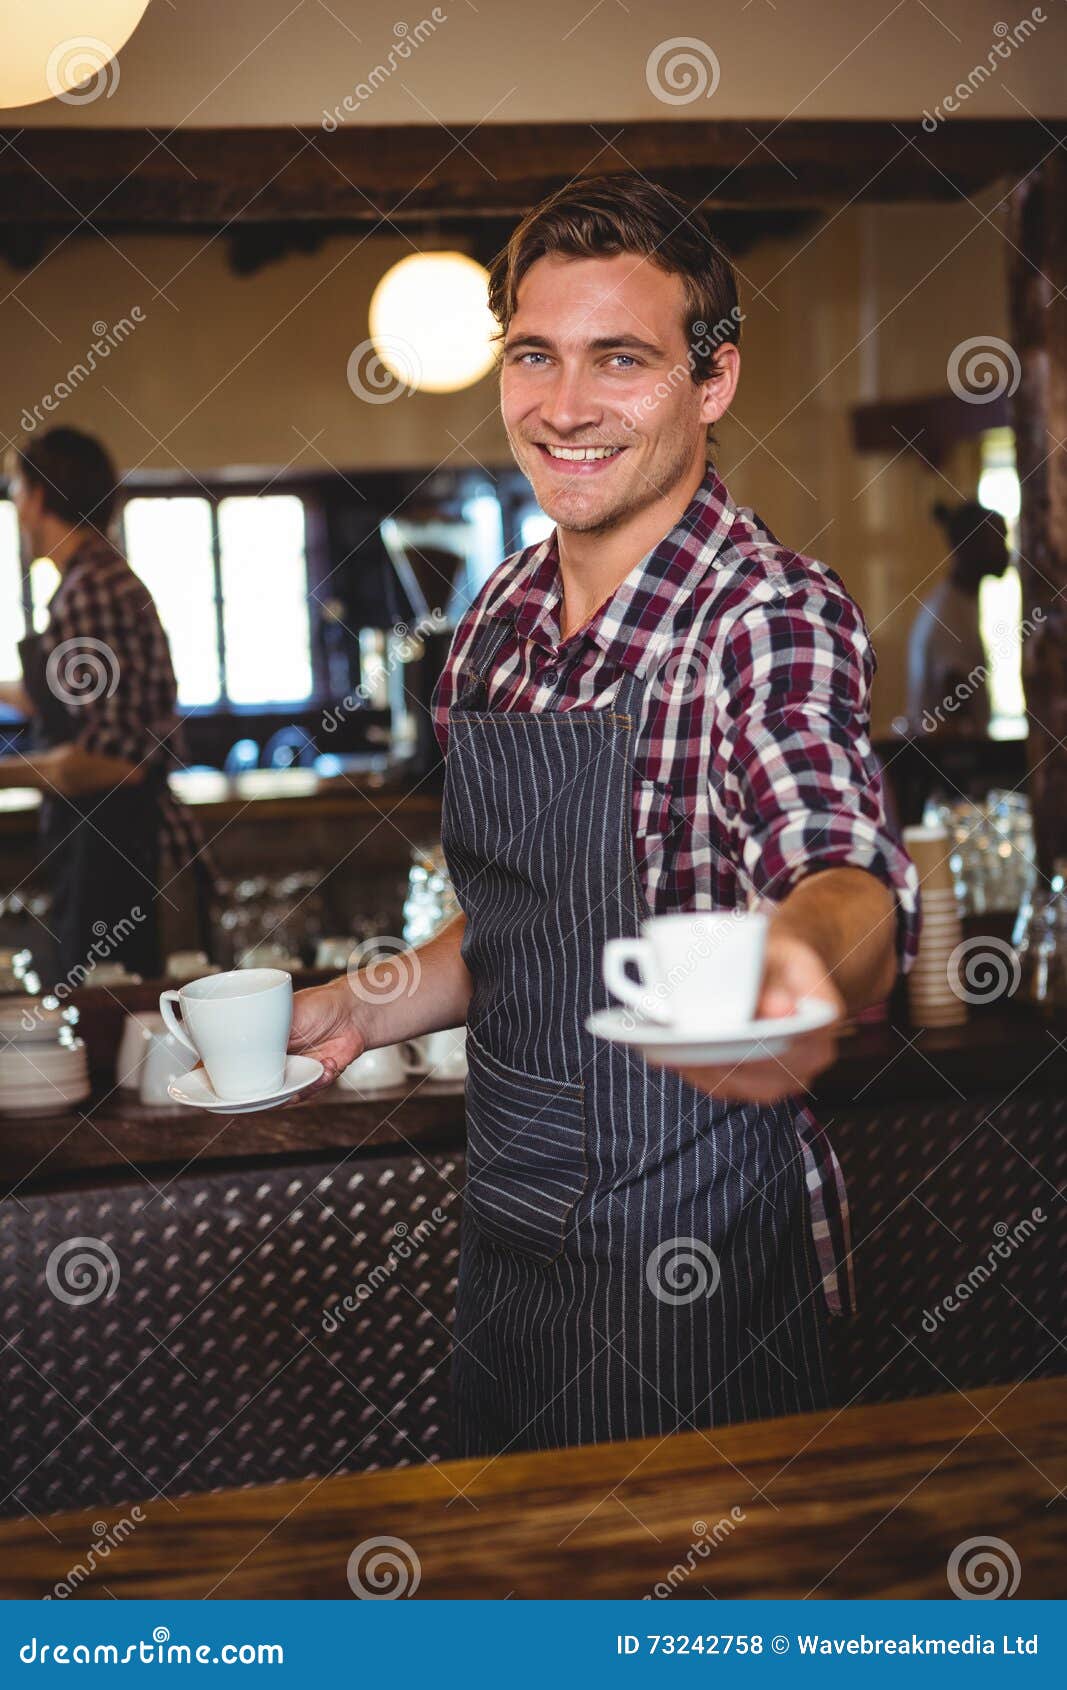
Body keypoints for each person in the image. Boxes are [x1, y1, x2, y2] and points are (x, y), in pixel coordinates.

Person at [287, 175, 920, 1457]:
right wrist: (372, 998)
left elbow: (842, 867)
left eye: (618, 360)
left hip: (697, 1242)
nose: (564, 407)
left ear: (713, 379)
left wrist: (799, 972)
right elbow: (538, 918)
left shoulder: (765, 615)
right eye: (535, 355)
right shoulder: (495, 621)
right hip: (508, 1235)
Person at [0, 427, 206, 984]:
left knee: (117, 1028)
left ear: (39, 497)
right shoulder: (92, 582)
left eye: (17, 490)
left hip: (121, 851)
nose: (16, 508)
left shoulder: (90, 590)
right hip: (108, 845)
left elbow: (114, 759)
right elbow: (72, 704)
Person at [905, 499, 1011, 735]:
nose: (1007, 552)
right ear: (971, 547)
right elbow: (956, 712)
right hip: (947, 766)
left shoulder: (959, 604)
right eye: (998, 540)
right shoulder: (949, 614)